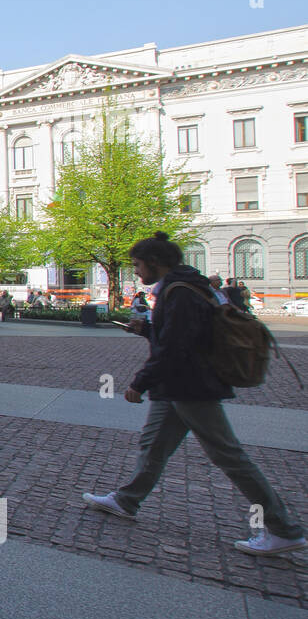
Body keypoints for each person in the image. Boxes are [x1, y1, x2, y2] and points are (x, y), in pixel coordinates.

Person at [82, 231, 305, 556]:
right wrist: (147, 330)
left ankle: (284, 529)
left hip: (189, 386)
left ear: (155, 263)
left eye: (138, 265)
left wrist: (139, 383)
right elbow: (181, 336)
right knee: (153, 445)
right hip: (177, 386)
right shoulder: (187, 286)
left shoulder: (179, 292)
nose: (137, 272)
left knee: (228, 455)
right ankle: (127, 500)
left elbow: (175, 348)